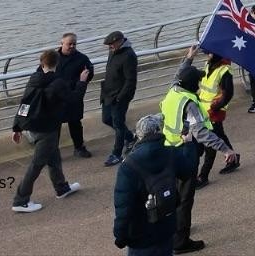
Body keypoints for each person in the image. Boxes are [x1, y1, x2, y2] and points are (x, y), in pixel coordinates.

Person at [159, 57, 237, 253]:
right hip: (184, 152)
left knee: (174, 194)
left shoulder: (173, 91)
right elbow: (201, 133)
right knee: (185, 198)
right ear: (193, 84)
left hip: (168, 147)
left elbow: (178, 74)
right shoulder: (190, 103)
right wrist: (225, 149)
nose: (200, 83)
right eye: (198, 81)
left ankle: (170, 229)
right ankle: (181, 242)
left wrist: (188, 58)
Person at [10, 48, 83, 213]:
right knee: (36, 164)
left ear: (41, 63)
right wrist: (82, 82)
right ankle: (20, 200)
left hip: (32, 127)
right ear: (57, 63)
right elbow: (73, 99)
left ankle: (62, 188)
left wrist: (17, 127)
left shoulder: (34, 79)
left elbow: (24, 103)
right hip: (47, 129)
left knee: (54, 158)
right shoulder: (58, 82)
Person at [112, 114, 194, 256]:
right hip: (166, 227)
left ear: (138, 135)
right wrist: (188, 144)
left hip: (140, 234)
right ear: (158, 130)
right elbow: (188, 170)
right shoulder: (170, 153)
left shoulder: (129, 166)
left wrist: (120, 235)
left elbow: (123, 206)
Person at [193, 49, 240, 187]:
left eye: (210, 53)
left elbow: (228, 94)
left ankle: (203, 176)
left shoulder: (225, 71)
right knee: (219, 135)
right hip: (203, 109)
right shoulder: (209, 65)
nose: (207, 55)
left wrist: (214, 107)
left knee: (210, 143)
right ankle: (233, 158)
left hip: (214, 111)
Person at [101, 31, 138, 167]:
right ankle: (130, 137)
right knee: (106, 119)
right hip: (107, 93)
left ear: (120, 41)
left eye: (111, 44)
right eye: (108, 45)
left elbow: (130, 80)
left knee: (118, 124)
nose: (109, 47)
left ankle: (116, 154)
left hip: (120, 96)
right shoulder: (113, 52)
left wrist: (121, 97)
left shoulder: (129, 55)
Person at [56, 32, 94, 158]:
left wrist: (79, 84)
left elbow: (89, 73)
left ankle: (79, 148)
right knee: (55, 127)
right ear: (62, 43)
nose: (72, 46)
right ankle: (52, 152)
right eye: (69, 44)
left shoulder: (82, 58)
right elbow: (42, 72)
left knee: (76, 124)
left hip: (74, 95)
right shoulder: (53, 58)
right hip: (57, 98)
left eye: (74, 44)